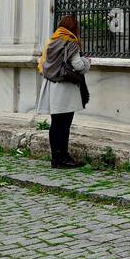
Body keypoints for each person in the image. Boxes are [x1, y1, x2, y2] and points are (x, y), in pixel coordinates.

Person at [35, 16, 91, 168]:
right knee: (65, 124)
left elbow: (43, 63)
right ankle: (64, 158)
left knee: (55, 123)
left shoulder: (52, 41)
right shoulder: (71, 41)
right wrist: (87, 62)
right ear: (73, 27)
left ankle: (56, 158)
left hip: (51, 86)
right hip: (64, 88)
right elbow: (78, 65)